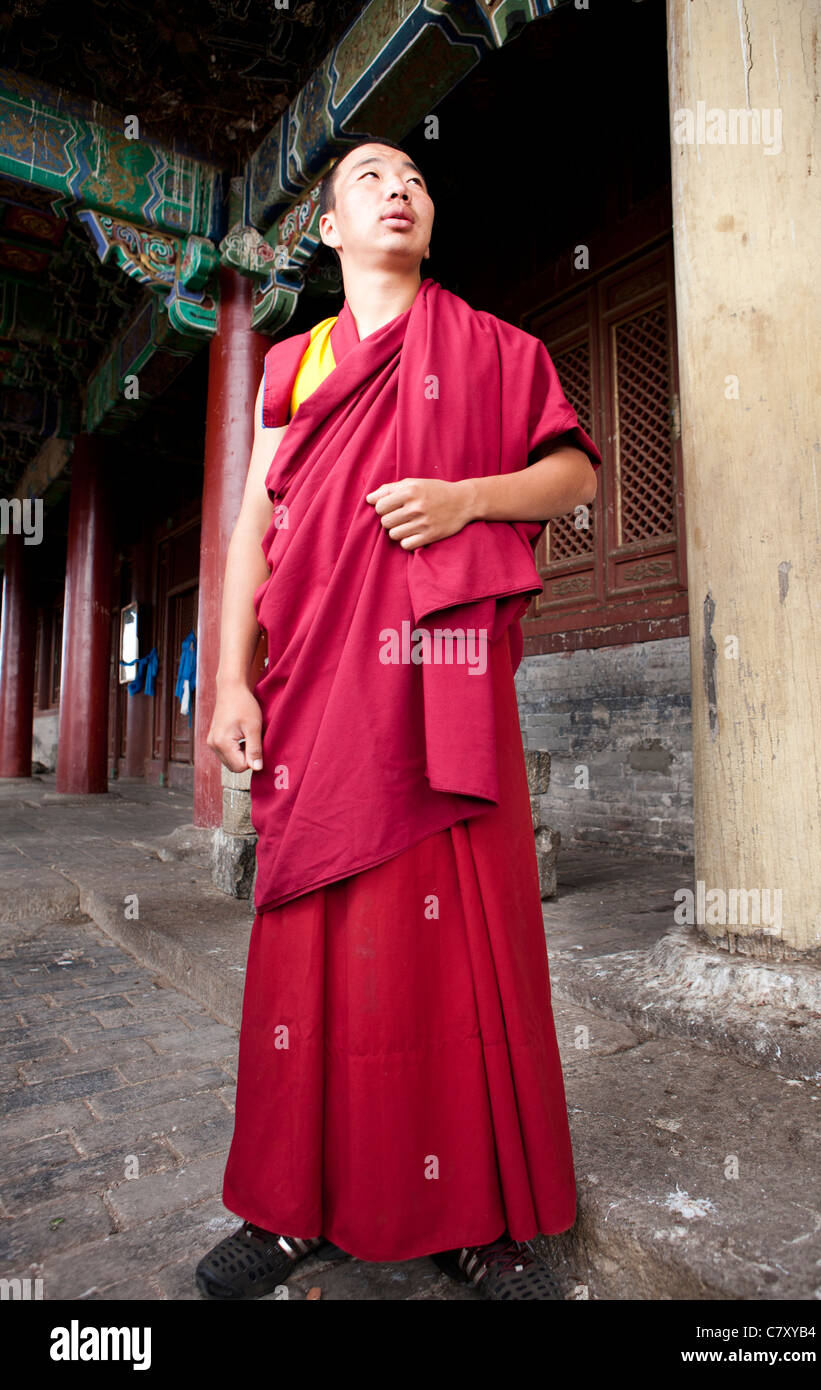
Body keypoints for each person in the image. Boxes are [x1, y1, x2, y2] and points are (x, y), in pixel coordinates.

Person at [197, 137, 602, 1301]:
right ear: (328, 227)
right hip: (320, 689)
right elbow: (252, 533)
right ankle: (291, 1212)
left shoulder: (486, 347)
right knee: (310, 946)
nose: (400, 191)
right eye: (371, 179)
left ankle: (471, 1213)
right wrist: (230, 680)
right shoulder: (294, 362)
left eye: (416, 181)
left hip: (443, 683)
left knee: (456, 951)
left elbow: (572, 475)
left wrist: (463, 497)